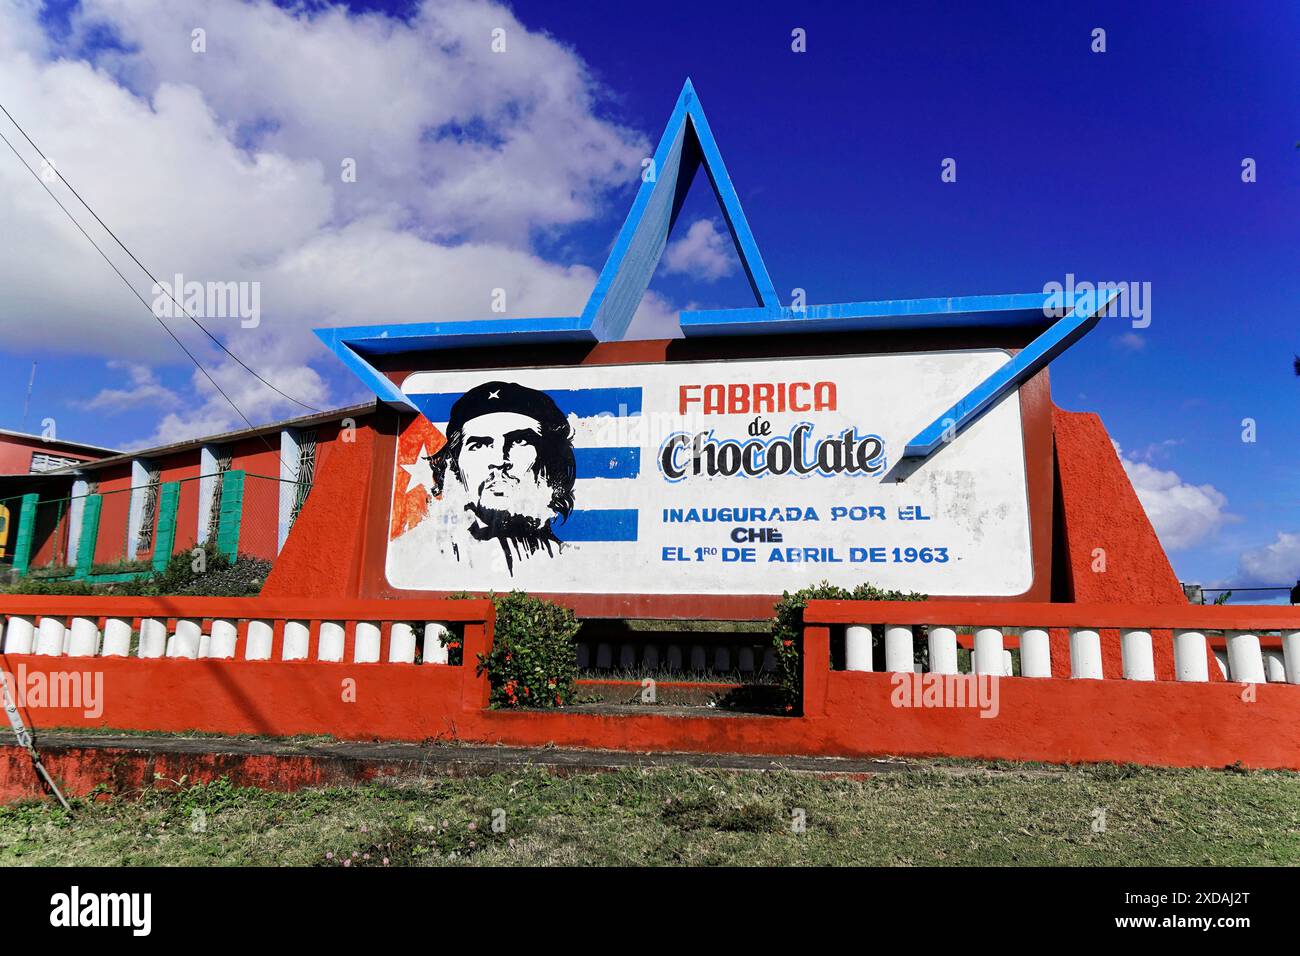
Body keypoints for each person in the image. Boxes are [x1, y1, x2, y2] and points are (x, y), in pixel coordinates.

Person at [399, 380, 575, 576]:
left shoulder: (571, 564)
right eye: (479, 445)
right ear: (455, 466)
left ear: (550, 462)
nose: (499, 460)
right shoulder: (419, 563)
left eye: (519, 441)